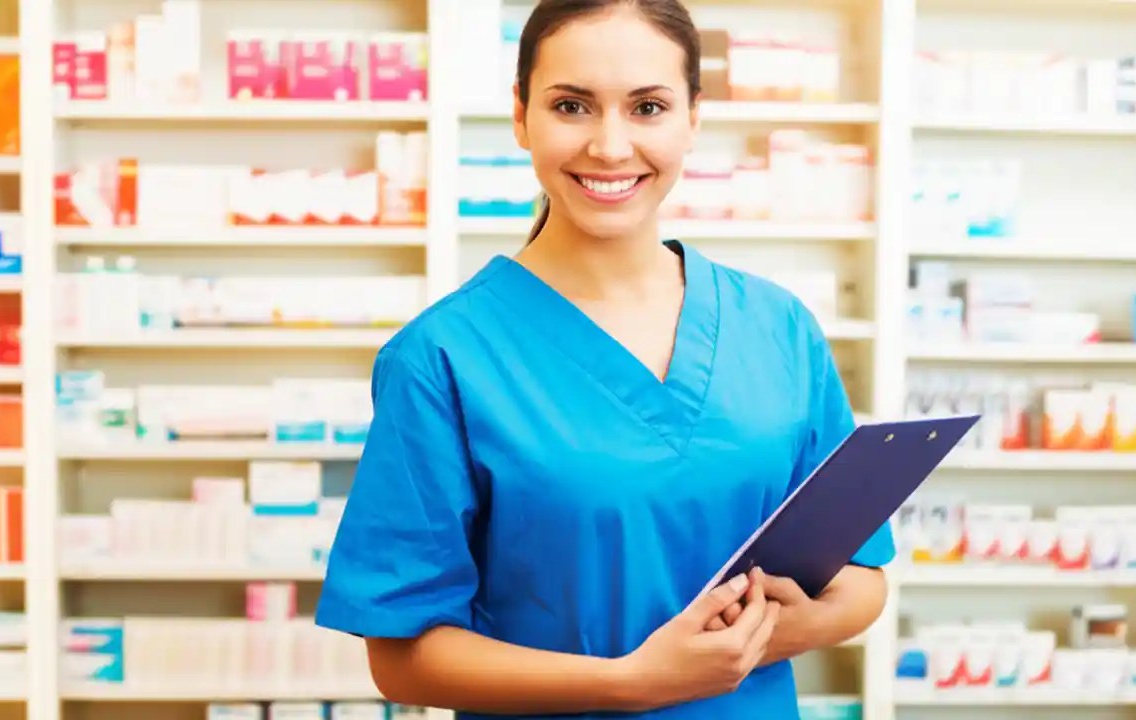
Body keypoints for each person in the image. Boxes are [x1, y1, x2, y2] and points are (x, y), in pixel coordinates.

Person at [314, 0, 896, 717]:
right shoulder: (441, 358)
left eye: (648, 107)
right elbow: (401, 658)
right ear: (521, 115)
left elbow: (862, 577)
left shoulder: (778, 328)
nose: (611, 147)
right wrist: (633, 681)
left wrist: (771, 631)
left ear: (693, 117)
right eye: (572, 106)